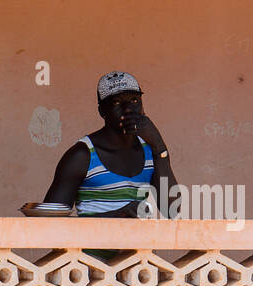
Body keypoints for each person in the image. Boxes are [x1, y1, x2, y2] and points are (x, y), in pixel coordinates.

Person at [43, 71, 179, 219]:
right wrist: (117, 215)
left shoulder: (150, 151)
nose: (128, 109)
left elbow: (172, 210)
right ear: (102, 111)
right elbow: (50, 222)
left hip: (137, 241)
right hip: (92, 242)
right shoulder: (82, 156)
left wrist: (159, 146)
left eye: (134, 100)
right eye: (117, 102)